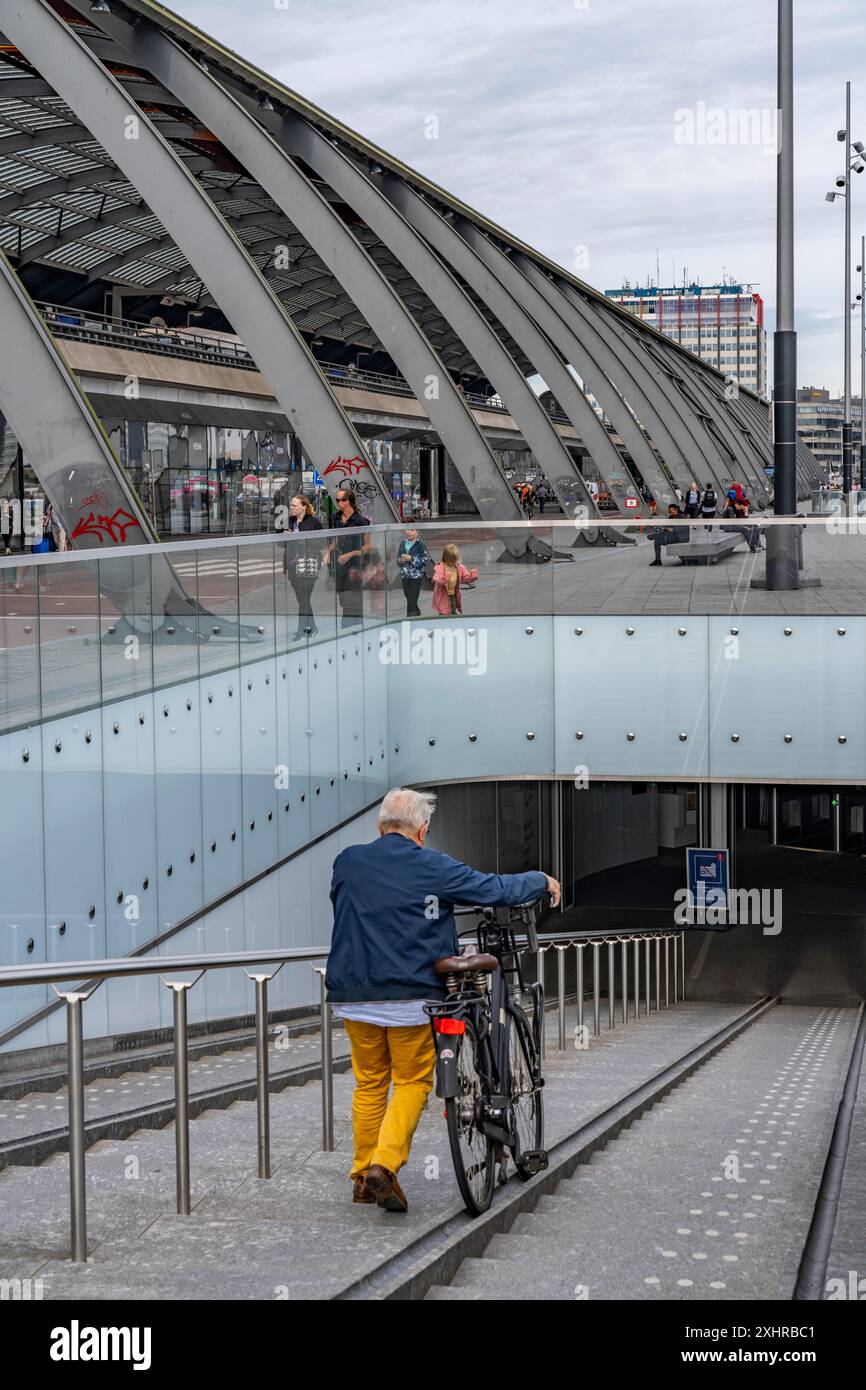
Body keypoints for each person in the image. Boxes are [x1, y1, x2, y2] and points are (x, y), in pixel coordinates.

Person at [326, 787, 561, 1212]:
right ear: (423, 831)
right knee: (413, 1081)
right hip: (411, 996)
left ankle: (362, 1174)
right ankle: (385, 1163)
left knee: (370, 1081)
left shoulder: (347, 862)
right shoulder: (431, 865)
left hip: (354, 995)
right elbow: (492, 889)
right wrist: (539, 880)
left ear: (380, 827)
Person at [323, 487, 371, 629]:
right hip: (339, 565)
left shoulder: (361, 521)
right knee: (342, 596)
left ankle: (353, 625)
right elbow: (335, 539)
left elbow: (368, 546)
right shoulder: (335, 518)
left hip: (355, 565)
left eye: (339, 500)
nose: (336, 502)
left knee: (353, 598)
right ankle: (349, 624)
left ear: (347, 502)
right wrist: (327, 553)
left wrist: (350, 554)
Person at [282, 494, 322, 639]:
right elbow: (279, 543)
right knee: (302, 599)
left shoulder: (314, 523)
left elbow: (320, 544)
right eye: (291, 505)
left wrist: (298, 539)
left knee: (304, 599)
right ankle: (312, 627)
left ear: (304, 507)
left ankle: (303, 630)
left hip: (308, 565)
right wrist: (284, 537)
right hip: (292, 566)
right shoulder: (288, 521)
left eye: (294, 505)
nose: (291, 508)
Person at [432, 543, 477, 616]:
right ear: (446, 559)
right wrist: (446, 575)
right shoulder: (440, 568)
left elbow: (464, 578)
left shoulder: (459, 567)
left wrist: (472, 576)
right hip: (442, 596)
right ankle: (447, 625)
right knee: (445, 614)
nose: (454, 562)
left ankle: (450, 624)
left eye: (455, 559)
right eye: (452, 560)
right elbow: (436, 580)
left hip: (452, 595)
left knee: (451, 612)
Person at [396, 525, 429, 617]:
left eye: (412, 530)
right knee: (409, 597)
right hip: (405, 576)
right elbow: (398, 561)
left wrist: (411, 558)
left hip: (416, 577)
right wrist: (401, 560)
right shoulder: (402, 544)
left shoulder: (420, 544)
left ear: (417, 532)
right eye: (407, 530)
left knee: (412, 600)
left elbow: (424, 561)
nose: (409, 532)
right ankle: (417, 613)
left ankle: (410, 620)